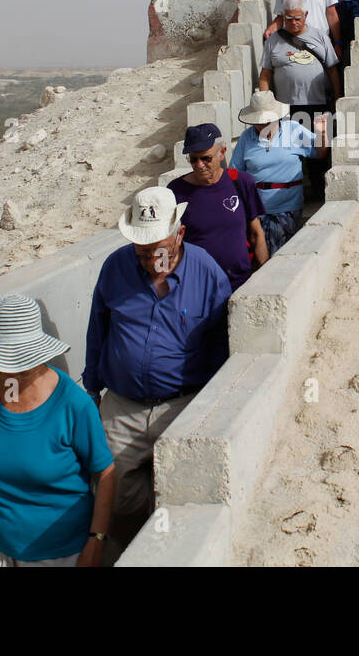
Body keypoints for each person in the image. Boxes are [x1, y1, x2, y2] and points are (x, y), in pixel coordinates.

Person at [82, 187, 232, 539]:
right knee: (114, 496)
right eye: (143, 250)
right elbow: (98, 328)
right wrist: (91, 388)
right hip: (122, 408)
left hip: (184, 405)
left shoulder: (206, 272)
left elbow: (224, 340)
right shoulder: (115, 267)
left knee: (181, 497)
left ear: (180, 233)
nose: (151, 259)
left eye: (158, 249)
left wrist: (212, 404)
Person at [0, 293, 116, 568]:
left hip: (58, 552)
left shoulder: (74, 405)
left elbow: (105, 473)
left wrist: (97, 540)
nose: (11, 375)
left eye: (21, 368)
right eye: (2, 367)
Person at [168, 123, 267, 292]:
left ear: (222, 153)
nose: (199, 165)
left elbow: (256, 233)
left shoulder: (241, 182)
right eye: (193, 159)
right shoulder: (175, 191)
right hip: (199, 288)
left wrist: (263, 278)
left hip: (241, 283)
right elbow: (168, 243)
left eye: (206, 158)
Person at [259, 0, 340, 200]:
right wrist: (266, 103)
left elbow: (332, 69)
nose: (293, 22)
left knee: (321, 151)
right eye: (288, 19)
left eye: (297, 18)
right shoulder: (274, 41)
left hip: (318, 103)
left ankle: (320, 194)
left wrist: (337, 97)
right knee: (290, 151)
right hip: (287, 108)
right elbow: (265, 75)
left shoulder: (320, 36)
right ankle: (294, 196)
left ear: (306, 16)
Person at [229, 89, 328, 253]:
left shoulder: (293, 130)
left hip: (288, 207)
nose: (262, 125)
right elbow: (235, 174)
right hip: (256, 209)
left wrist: (321, 133)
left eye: (266, 121)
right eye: (258, 121)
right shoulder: (246, 138)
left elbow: (320, 153)